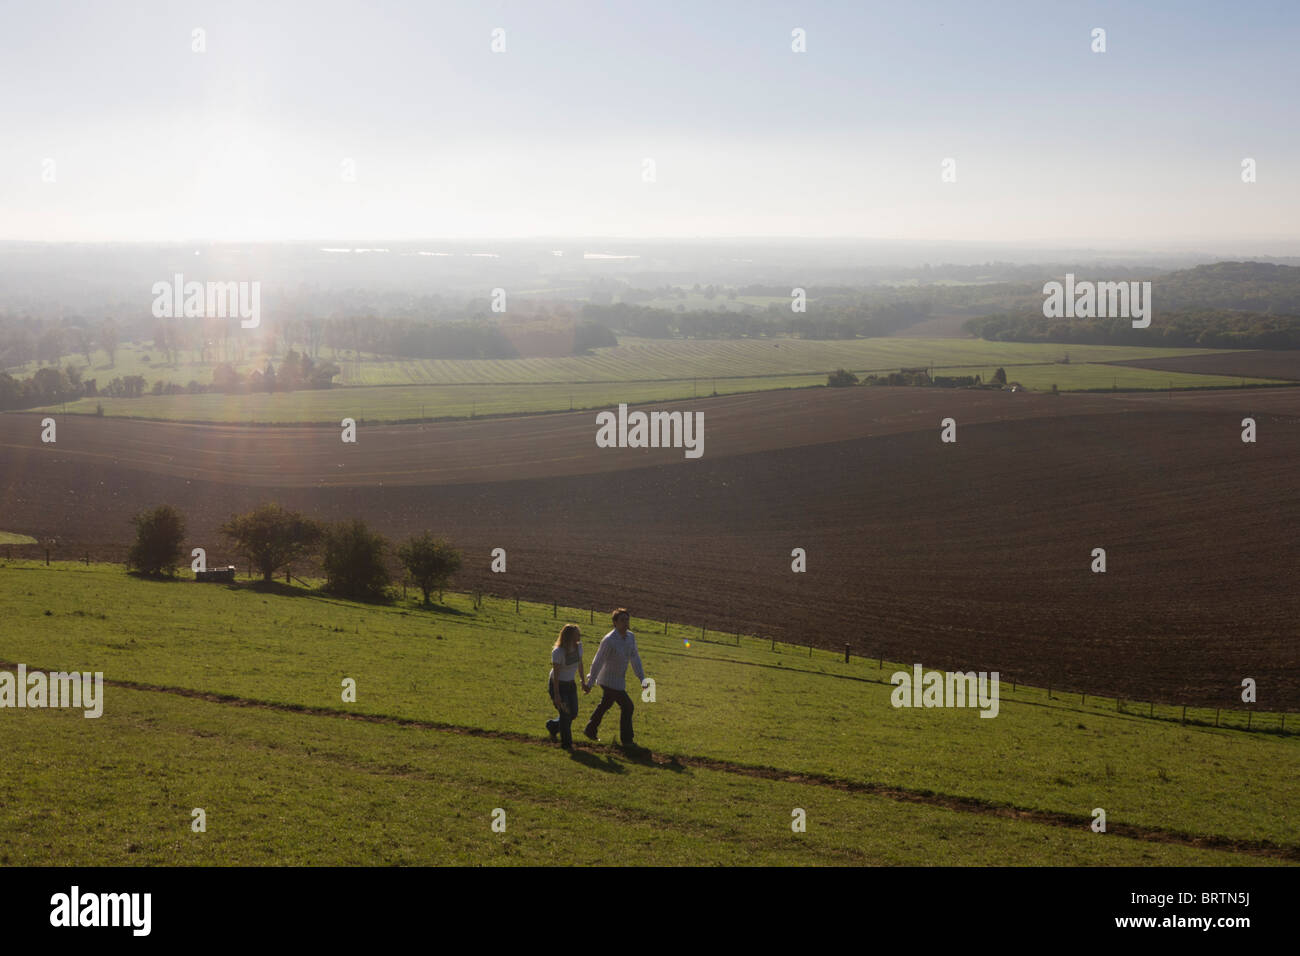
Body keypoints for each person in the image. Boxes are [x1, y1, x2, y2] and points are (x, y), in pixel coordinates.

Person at [582, 608, 648, 750]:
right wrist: (590, 682)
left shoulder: (631, 637)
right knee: (628, 706)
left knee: (606, 704)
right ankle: (627, 740)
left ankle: (590, 729)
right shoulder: (609, 640)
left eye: (627, 619)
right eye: (622, 620)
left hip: (619, 680)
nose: (626, 623)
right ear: (615, 622)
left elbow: (635, 658)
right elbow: (598, 661)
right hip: (607, 680)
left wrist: (642, 678)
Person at [546, 624, 583, 749]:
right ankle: (567, 744)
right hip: (558, 685)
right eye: (577, 634)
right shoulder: (558, 652)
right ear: (569, 636)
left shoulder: (579, 647)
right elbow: (556, 675)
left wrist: (583, 681)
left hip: (570, 685)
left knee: (573, 713)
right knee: (566, 715)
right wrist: (556, 695)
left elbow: (580, 664)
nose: (579, 636)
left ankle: (553, 726)